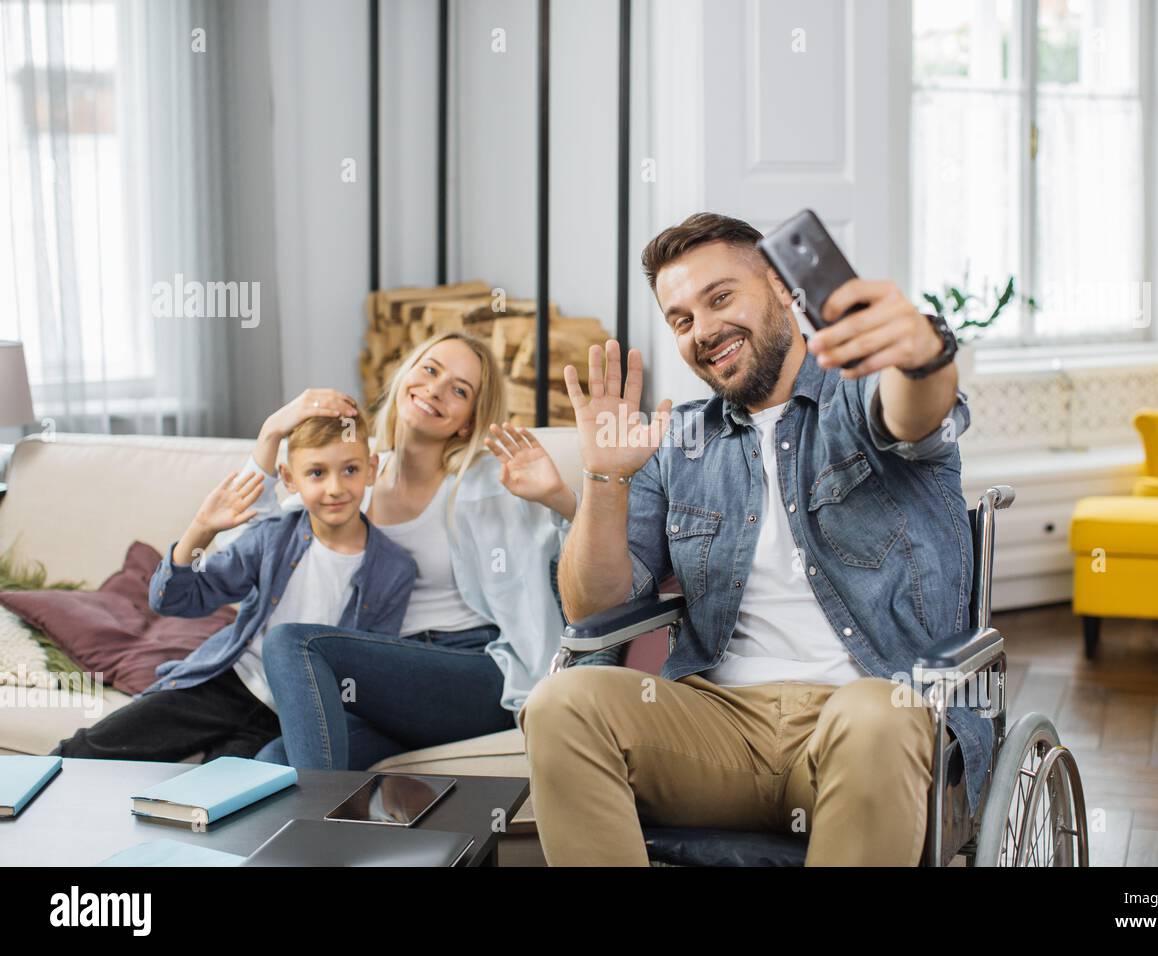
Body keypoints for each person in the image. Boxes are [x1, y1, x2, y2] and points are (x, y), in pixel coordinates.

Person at [520, 212, 989, 866]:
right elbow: (593, 611)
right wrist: (603, 479)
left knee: (878, 713)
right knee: (560, 704)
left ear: (780, 284)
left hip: (865, 718)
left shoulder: (859, 393)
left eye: (720, 298)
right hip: (719, 730)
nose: (704, 330)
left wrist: (922, 354)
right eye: (681, 320)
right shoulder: (677, 442)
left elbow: (918, 409)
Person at [248, 330, 577, 770]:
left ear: (467, 421)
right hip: (392, 677)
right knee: (273, 762)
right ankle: (326, 829)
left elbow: (581, 558)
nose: (436, 390)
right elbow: (259, 538)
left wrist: (559, 498)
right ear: (405, 375)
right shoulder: (352, 476)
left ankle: (315, 830)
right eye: (430, 370)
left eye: (459, 390)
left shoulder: (486, 481)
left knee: (292, 643)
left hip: (475, 672)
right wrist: (272, 432)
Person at [52, 410, 416, 762]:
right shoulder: (270, 539)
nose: (335, 488)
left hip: (287, 716)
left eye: (350, 470)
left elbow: (368, 669)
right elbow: (174, 600)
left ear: (371, 469)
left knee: (224, 805)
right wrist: (202, 529)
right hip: (225, 684)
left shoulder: (395, 570)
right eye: (317, 473)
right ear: (290, 479)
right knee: (86, 750)